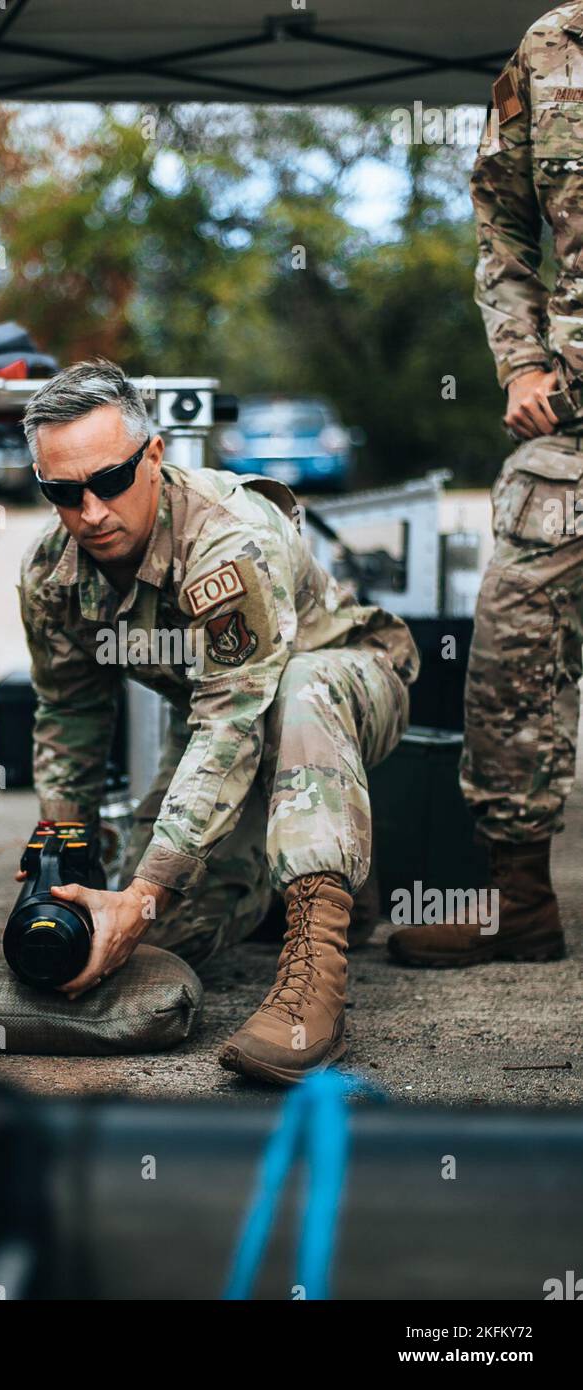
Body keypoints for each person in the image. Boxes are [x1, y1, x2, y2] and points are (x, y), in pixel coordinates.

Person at [19, 359, 418, 1084]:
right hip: (221, 720)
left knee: (300, 686)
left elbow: (236, 720)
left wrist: (144, 889)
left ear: (155, 455)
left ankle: (315, 977)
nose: (93, 512)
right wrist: (63, 861)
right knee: (152, 940)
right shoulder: (52, 576)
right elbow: (69, 712)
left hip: (345, 683)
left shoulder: (229, 539)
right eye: (63, 492)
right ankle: (297, 880)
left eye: (110, 480)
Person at [389, 3, 582, 967]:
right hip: (574, 422)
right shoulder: (551, 50)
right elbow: (501, 214)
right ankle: (520, 898)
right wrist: (519, 360)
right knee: (508, 643)